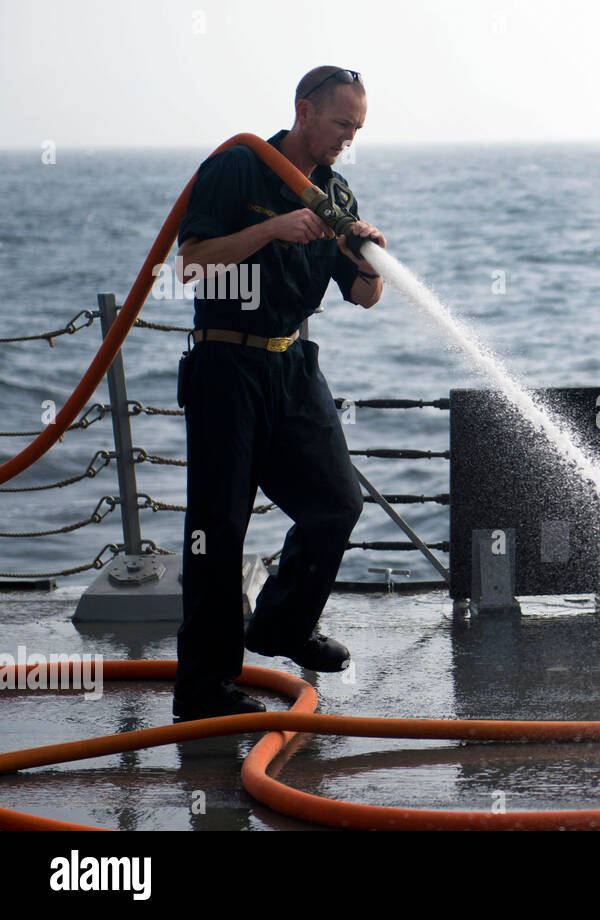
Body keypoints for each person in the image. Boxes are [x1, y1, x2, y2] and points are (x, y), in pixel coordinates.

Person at [172, 66, 386, 721]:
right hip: (226, 367)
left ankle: (282, 627)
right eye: (341, 124)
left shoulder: (336, 194)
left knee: (337, 504)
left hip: (292, 366)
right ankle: (204, 689)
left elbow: (365, 296)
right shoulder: (240, 167)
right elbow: (188, 264)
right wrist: (272, 230)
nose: (348, 138)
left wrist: (369, 257)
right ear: (304, 110)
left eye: (358, 129)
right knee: (219, 528)